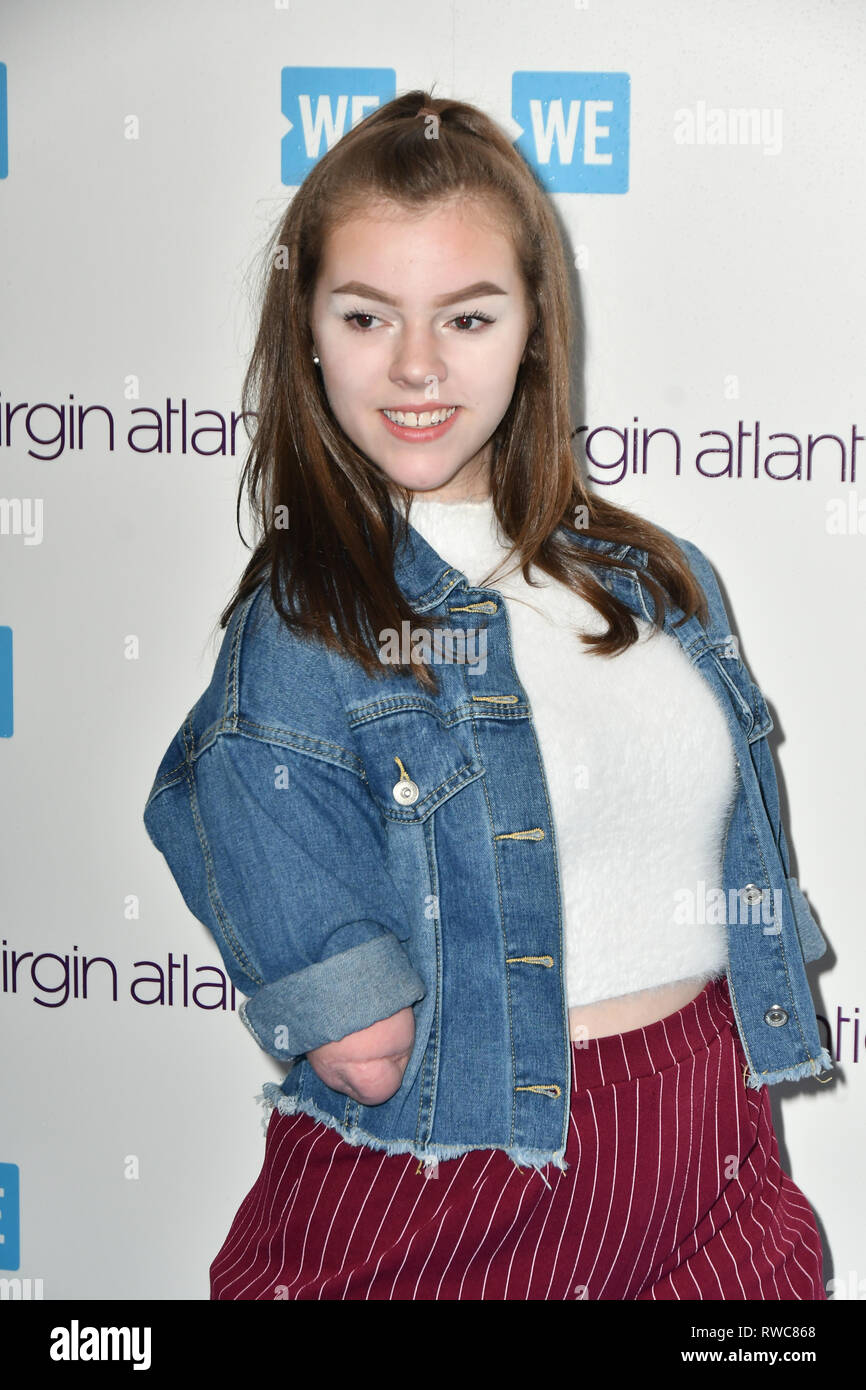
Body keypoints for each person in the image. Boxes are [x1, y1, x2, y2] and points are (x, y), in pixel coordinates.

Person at [142, 90, 834, 1301]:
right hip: (457, 1203)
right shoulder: (300, 630)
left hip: (710, 1155)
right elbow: (361, 1051)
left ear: (531, 328)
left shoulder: (655, 577)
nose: (416, 366)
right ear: (308, 330)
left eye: (466, 316)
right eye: (366, 316)